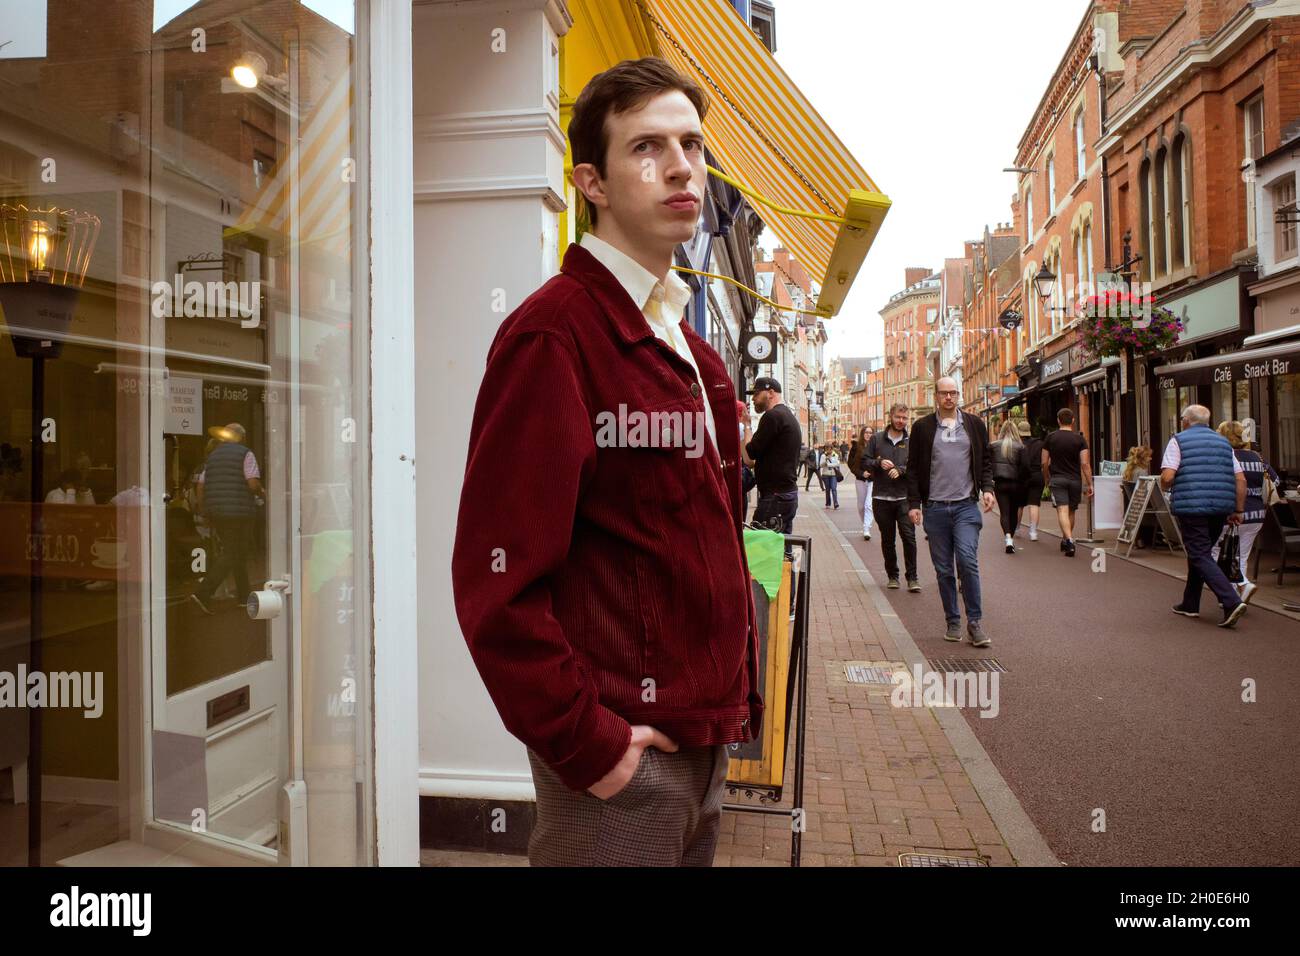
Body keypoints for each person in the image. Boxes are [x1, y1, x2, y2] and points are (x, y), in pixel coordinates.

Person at [450, 57, 760, 867]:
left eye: (691, 144)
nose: (681, 166)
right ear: (590, 181)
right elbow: (496, 582)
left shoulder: (691, 350)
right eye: (647, 147)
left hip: (702, 745)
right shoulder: (554, 335)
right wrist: (593, 748)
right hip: (620, 775)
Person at [906, 376, 995, 647]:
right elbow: (913, 469)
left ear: (959, 395)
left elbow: (986, 461)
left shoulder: (974, 424)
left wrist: (988, 488)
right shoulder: (922, 428)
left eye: (953, 393)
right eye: (944, 393)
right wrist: (914, 504)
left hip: (966, 506)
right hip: (935, 508)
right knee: (944, 569)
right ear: (936, 396)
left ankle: (975, 623)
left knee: (967, 561)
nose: (949, 397)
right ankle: (953, 621)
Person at [1161, 405, 1248, 628]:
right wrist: (1238, 510)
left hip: (1192, 506)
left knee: (1199, 553)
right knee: (1201, 552)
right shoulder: (1224, 443)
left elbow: (1168, 476)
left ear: (1186, 421)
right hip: (1220, 507)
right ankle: (1190, 603)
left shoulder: (1178, 440)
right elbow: (1240, 479)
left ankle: (1231, 601)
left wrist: (1166, 484)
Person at [190, 423, 263, 615]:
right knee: (233, 552)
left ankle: (244, 597)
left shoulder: (212, 457)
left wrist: (204, 510)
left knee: (236, 552)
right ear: (242, 437)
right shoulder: (246, 454)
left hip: (217, 512)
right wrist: (262, 492)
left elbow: (201, 486)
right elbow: (252, 484)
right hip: (239, 512)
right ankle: (203, 593)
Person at [1210, 421, 1279, 607]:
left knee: (1215, 551)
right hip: (1256, 514)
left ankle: (1239, 587)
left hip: (1230, 513)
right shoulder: (1257, 457)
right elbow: (1276, 481)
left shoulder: (1224, 456)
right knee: (1241, 556)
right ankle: (1235, 596)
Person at [865, 403, 919, 591]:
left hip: (904, 498)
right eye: (898, 417)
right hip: (881, 498)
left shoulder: (912, 442)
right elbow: (864, 461)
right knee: (888, 540)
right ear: (891, 416)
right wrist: (878, 463)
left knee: (909, 538)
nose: (901, 421)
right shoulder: (877, 439)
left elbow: (917, 467)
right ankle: (893, 576)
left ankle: (912, 578)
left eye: (904, 418)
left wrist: (901, 470)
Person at [742, 377, 802, 534]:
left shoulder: (772, 417)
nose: (753, 399)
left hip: (775, 498)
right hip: (786, 495)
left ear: (770, 393)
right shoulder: (788, 416)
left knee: (761, 545)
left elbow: (750, 454)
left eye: (756, 394)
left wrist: (746, 425)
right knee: (782, 546)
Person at [1042, 407, 1092, 557]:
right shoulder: (1080, 439)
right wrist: (1090, 483)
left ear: (1058, 421)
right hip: (1075, 480)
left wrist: (1046, 478)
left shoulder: (1050, 438)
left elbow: (1044, 462)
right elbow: (1085, 463)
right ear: (1073, 421)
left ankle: (1068, 540)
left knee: (1062, 510)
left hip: (1057, 479)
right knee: (1071, 511)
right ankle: (1066, 540)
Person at [990, 419, 1031, 554]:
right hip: (1016, 484)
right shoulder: (1021, 447)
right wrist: (1022, 480)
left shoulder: (993, 446)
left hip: (1000, 484)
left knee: (1004, 513)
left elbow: (988, 464)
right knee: (1013, 512)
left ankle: (1008, 538)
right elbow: (1026, 467)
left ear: (1001, 431)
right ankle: (1010, 538)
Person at [848, 425, 876, 541]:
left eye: (870, 432)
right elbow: (851, 464)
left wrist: (872, 474)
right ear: (862, 434)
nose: (868, 434)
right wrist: (861, 473)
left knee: (868, 505)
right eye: (866, 432)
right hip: (860, 480)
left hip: (872, 481)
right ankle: (865, 524)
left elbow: (878, 463)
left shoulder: (876, 447)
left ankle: (866, 528)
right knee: (861, 507)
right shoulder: (856, 447)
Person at [1021, 421, 1045, 540]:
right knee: (1034, 504)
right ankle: (1033, 532)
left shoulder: (1017, 444)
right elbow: (1044, 461)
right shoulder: (1040, 444)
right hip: (1037, 475)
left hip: (1021, 476)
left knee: (1019, 504)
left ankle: (1016, 528)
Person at [820, 443, 842, 509]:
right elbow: (821, 465)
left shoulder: (835, 455)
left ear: (832, 449)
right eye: (826, 449)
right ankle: (828, 503)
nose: (828, 451)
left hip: (833, 475)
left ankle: (836, 503)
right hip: (825, 474)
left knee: (833, 488)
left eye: (829, 449)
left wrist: (829, 465)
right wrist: (825, 461)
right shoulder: (823, 456)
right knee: (827, 489)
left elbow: (837, 464)